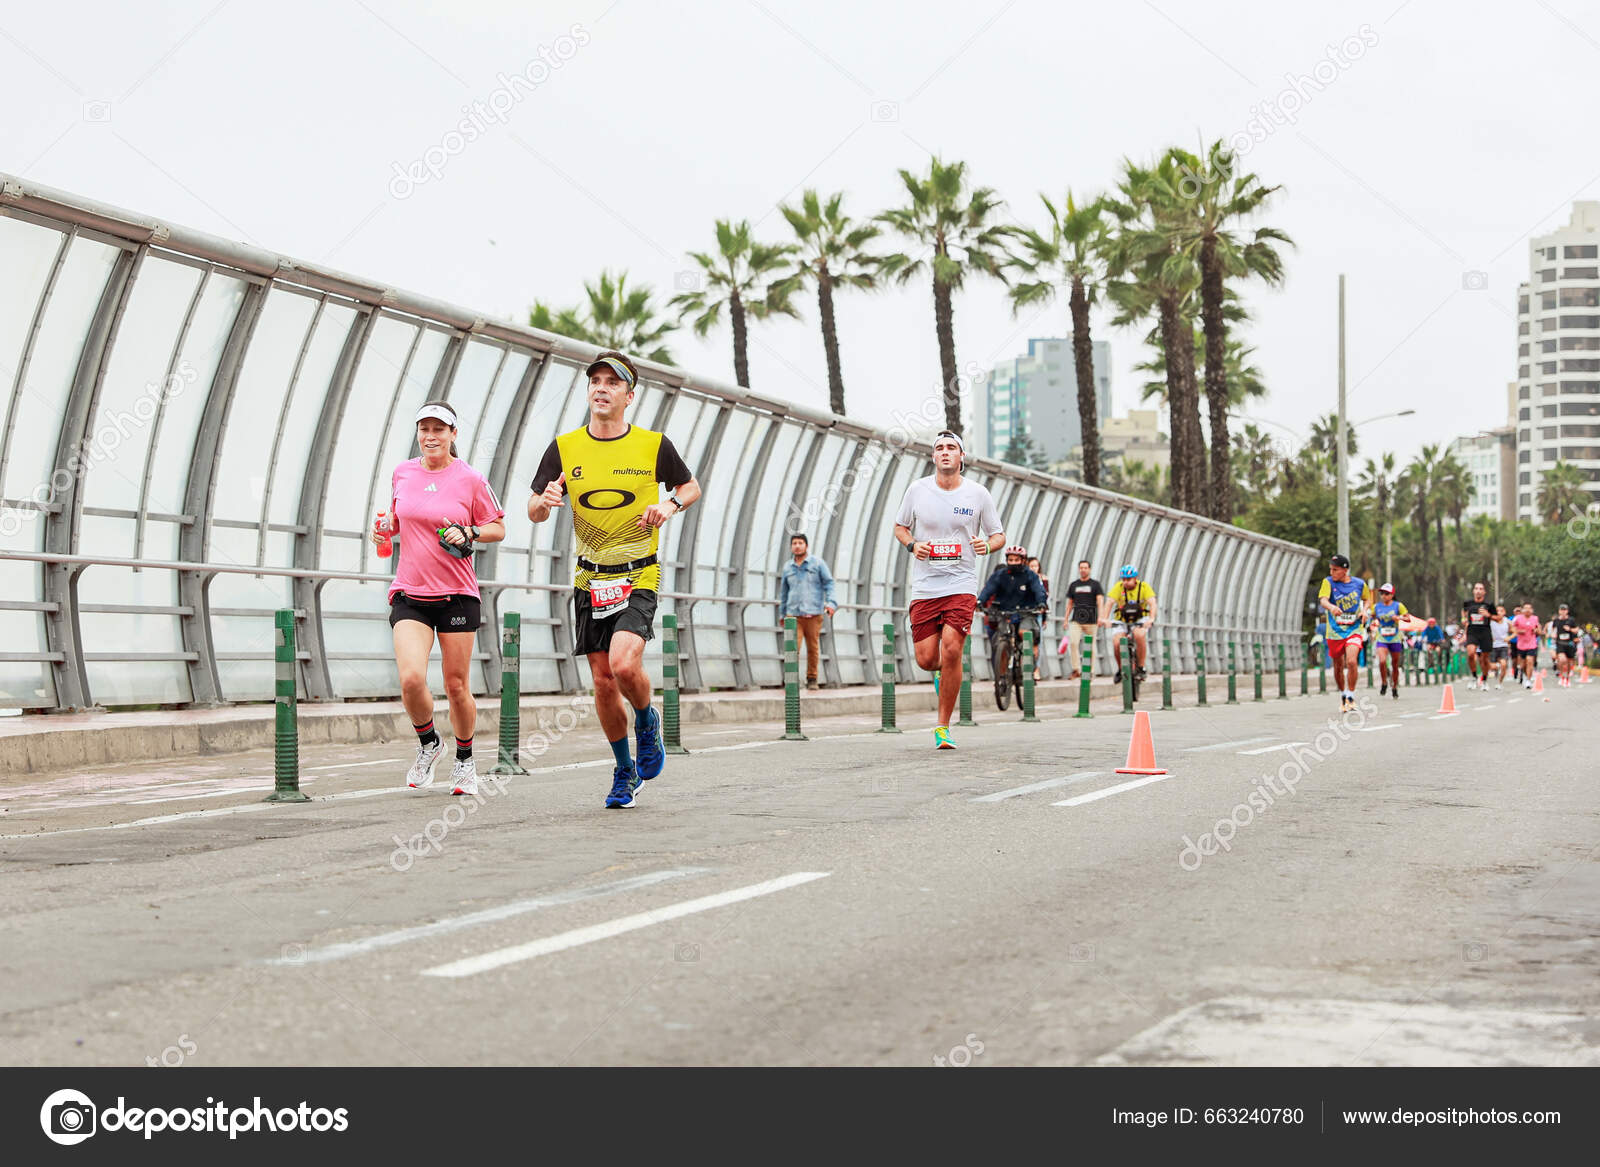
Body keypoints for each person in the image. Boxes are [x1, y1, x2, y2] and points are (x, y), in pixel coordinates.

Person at [527, 350, 701, 808]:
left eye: (612, 382)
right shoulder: (565, 447)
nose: (601, 388)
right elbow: (533, 510)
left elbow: (690, 487)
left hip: (638, 573)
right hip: (590, 579)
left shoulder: (652, 444)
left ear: (629, 396)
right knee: (603, 682)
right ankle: (624, 770)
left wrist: (669, 505)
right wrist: (544, 502)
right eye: (595, 381)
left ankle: (647, 719)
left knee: (625, 666)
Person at [376, 401, 507, 797]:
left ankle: (465, 761)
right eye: (424, 429)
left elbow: (497, 528)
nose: (430, 436)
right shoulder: (403, 472)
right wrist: (383, 528)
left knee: (455, 685)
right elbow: (398, 521)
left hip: (457, 595)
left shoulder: (470, 479)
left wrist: (469, 532)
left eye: (439, 429)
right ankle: (430, 744)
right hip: (410, 593)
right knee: (412, 679)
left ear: (453, 434)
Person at [892, 430, 1004, 749]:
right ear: (932, 457)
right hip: (926, 584)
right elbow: (900, 527)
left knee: (952, 647)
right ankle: (946, 675)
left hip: (961, 582)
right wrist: (914, 545)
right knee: (928, 660)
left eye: (951, 448)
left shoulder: (978, 494)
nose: (944, 452)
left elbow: (998, 535)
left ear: (961, 457)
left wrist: (986, 545)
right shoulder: (917, 490)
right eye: (939, 448)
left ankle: (943, 726)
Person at [977, 546, 1047, 683]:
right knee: (1001, 642)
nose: (1013, 563)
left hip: (1026, 611)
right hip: (1005, 612)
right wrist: (980, 601)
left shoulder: (1030, 575)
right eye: (1010, 560)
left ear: (1023, 560)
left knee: (1024, 633)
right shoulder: (1000, 575)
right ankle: (1002, 678)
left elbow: (1039, 590)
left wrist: (1041, 603)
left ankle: (1026, 668)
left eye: (1016, 560)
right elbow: (989, 588)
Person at [778, 533, 836, 691]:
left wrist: (831, 603)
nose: (797, 545)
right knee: (792, 647)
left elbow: (829, 584)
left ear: (806, 546)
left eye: (800, 543)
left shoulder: (817, 564)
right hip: (792, 615)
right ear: (791, 547)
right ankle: (790, 679)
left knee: (813, 648)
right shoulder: (787, 567)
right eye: (794, 543)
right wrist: (782, 614)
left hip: (813, 614)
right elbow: (783, 592)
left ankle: (812, 678)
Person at [1317, 554, 1370, 713]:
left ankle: (1351, 695)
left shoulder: (1360, 584)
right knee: (1338, 666)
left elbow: (1367, 599)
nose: (1332, 572)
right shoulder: (1328, 582)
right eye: (1331, 569)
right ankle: (1342, 694)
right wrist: (1331, 607)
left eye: (1335, 570)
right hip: (1334, 632)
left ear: (1345, 570)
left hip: (1354, 629)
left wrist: (1365, 611)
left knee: (1352, 661)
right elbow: (1323, 600)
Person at [1104, 564, 1156, 685]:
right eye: (1124, 579)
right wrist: (1104, 619)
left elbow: (1152, 603)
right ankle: (1121, 668)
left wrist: (1151, 619)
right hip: (1121, 620)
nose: (1126, 582)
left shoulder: (1144, 587)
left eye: (1129, 579)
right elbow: (1109, 603)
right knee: (1117, 643)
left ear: (1135, 578)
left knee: (1139, 635)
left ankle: (1141, 667)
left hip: (1140, 620)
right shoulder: (1119, 587)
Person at [1369, 583, 1414, 700]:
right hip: (1382, 637)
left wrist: (1398, 618)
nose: (1384, 596)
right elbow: (1371, 617)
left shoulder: (1398, 606)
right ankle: (1384, 682)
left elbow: (1408, 618)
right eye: (1382, 593)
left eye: (1386, 593)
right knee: (1382, 661)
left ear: (1392, 595)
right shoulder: (1376, 607)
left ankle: (1394, 686)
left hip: (1395, 637)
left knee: (1395, 664)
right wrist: (1372, 623)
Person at [1061, 560, 1106, 679]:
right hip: (1076, 620)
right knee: (1073, 643)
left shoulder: (1095, 585)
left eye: (1085, 568)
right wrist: (1066, 619)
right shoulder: (1074, 585)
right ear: (1079, 569)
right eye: (1081, 568)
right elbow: (1070, 604)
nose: (1083, 570)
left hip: (1091, 620)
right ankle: (1077, 669)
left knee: (1091, 646)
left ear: (1089, 569)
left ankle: (1090, 670)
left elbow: (1100, 602)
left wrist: (1101, 617)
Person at [1460, 581, 1494, 691]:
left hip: (1485, 632)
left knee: (1484, 658)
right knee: (1470, 653)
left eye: (1481, 589)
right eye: (1476, 588)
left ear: (1484, 592)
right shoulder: (1468, 603)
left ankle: (1484, 680)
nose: (1478, 591)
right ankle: (1474, 677)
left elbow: (1498, 618)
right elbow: (1464, 611)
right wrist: (1464, 619)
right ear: (1473, 591)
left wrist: (1488, 615)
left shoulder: (1489, 604)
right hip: (1472, 631)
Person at [1027, 556, 1049, 680]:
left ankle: (1036, 669)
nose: (1034, 568)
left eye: (1036, 566)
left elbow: (1045, 599)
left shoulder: (1043, 579)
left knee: (1037, 643)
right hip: (1025, 612)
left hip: (1038, 614)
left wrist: (1044, 616)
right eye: (1031, 566)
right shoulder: (1024, 578)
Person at [1510, 603, 1541, 689]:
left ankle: (1528, 680)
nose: (1527, 610)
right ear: (1522, 610)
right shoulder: (1518, 619)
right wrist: (1519, 631)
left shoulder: (1535, 618)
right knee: (1522, 664)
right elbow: (1511, 628)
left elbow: (1539, 630)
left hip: (1532, 644)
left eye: (1529, 608)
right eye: (1525, 608)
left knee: (1530, 661)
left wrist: (1536, 630)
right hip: (1521, 645)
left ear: (1532, 610)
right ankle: (1523, 674)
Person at [1551, 603, 1580, 686]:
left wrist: (1570, 629)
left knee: (1569, 662)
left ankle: (1566, 678)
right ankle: (1561, 676)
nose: (1563, 611)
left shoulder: (1571, 620)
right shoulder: (1556, 621)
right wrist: (1553, 635)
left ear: (1567, 611)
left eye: (1565, 610)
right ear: (1559, 611)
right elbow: (1553, 631)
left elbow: (1576, 630)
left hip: (1570, 644)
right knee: (1562, 660)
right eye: (1561, 610)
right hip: (1560, 643)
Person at [1489, 604, 1512, 688]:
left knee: (1504, 664)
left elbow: (1515, 631)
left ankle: (1499, 682)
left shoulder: (1507, 621)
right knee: (1493, 666)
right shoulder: (1490, 621)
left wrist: (1509, 637)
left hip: (1503, 645)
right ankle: (1496, 668)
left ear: (1504, 612)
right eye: (1497, 611)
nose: (1499, 612)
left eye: (1501, 611)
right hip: (1493, 646)